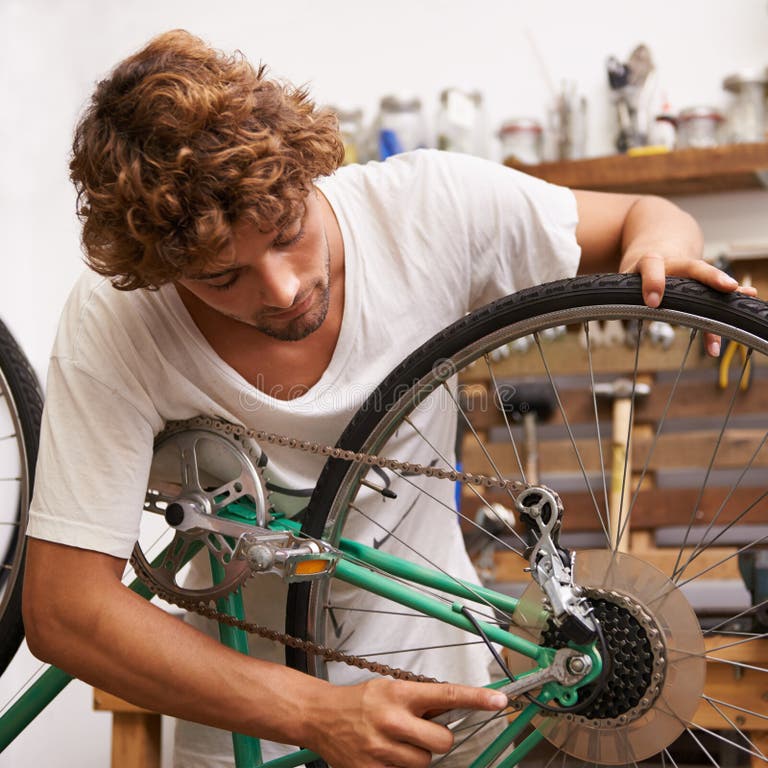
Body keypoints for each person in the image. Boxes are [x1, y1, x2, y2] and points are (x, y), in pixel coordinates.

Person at [22, 29, 748, 768]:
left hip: (461, 719)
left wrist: (662, 255)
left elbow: (644, 218)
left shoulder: (425, 212)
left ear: (307, 171)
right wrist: (316, 713)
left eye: (288, 232)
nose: (282, 289)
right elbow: (64, 610)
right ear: (156, 270)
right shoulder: (117, 321)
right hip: (254, 731)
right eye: (220, 277)